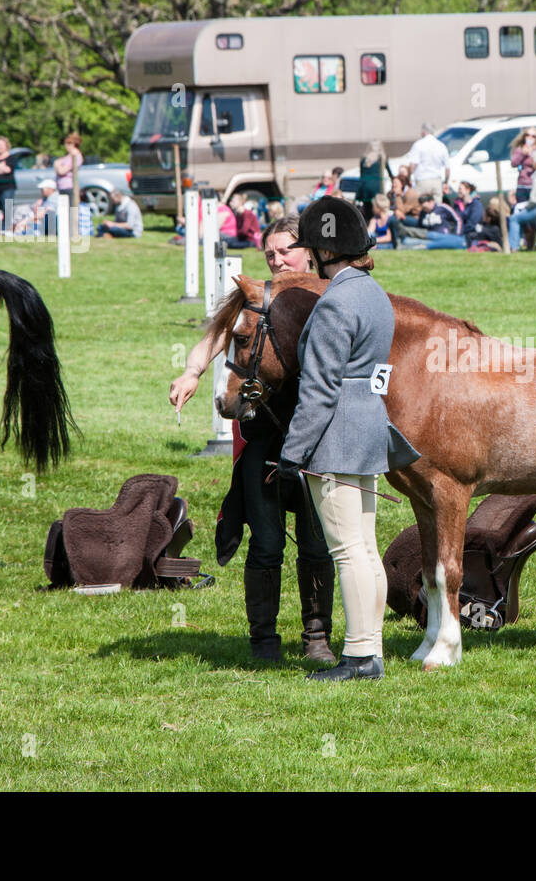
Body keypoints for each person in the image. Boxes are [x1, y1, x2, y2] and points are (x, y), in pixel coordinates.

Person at [177, 217, 338, 665]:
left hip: (315, 440)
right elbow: (214, 336)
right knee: (266, 543)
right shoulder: (256, 297)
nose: (277, 260)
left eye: (285, 251)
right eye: (270, 254)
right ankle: (263, 643)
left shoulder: (330, 295)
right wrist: (191, 372)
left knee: (316, 542)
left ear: (308, 252)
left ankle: (316, 638)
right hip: (262, 438)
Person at [274, 196, 421, 682]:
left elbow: (317, 391)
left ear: (321, 251)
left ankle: (360, 657)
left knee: (347, 550)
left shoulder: (335, 302)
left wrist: (292, 454)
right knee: (365, 546)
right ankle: (369, 648)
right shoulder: (375, 294)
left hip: (335, 436)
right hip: (369, 428)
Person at [506, 149, 536, 249]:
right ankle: (532, 245)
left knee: (514, 218)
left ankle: (513, 247)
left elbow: (534, 199)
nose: (531, 163)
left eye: (532, 160)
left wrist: (526, 208)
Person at [405, 123, 449, 199]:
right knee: (436, 207)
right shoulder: (441, 146)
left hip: (422, 180)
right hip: (437, 181)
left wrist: (409, 178)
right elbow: (447, 168)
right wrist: (445, 182)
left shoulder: (418, 145)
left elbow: (412, 165)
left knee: (420, 205)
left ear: (423, 132)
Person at [356, 140, 391, 220]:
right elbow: (389, 172)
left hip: (365, 187)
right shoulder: (381, 158)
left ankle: (368, 227)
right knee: (378, 209)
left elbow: (361, 175)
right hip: (377, 187)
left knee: (367, 209)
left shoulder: (363, 160)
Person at [508, 126, 536, 204]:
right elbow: (513, 163)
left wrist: (535, 159)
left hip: (534, 185)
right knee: (521, 208)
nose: (530, 138)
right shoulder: (520, 149)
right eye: (527, 135)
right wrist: (523, 153)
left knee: (533, 211)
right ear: (524, 136)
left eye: (533, 136)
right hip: (522, 185)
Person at [53, 132, 84, 197]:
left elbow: (61, 171)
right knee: (63, 207)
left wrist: (58, 165)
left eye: (68, 144)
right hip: (62, 187)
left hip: (69, 187)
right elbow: (57, 163)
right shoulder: (68, 156)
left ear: (73, 144)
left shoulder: (75, 156)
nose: (65, 146)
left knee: (73, 207)